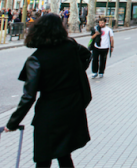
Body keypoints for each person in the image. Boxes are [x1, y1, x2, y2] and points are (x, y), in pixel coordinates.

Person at [5, 14, 91, 168]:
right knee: (64, 155)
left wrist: (13, 122)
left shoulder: (36, 59)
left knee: (43, 157)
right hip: (71, 109)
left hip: (49, 114)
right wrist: (75, 72)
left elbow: (29, 96)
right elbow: (87, 55)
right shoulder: (71, 47)